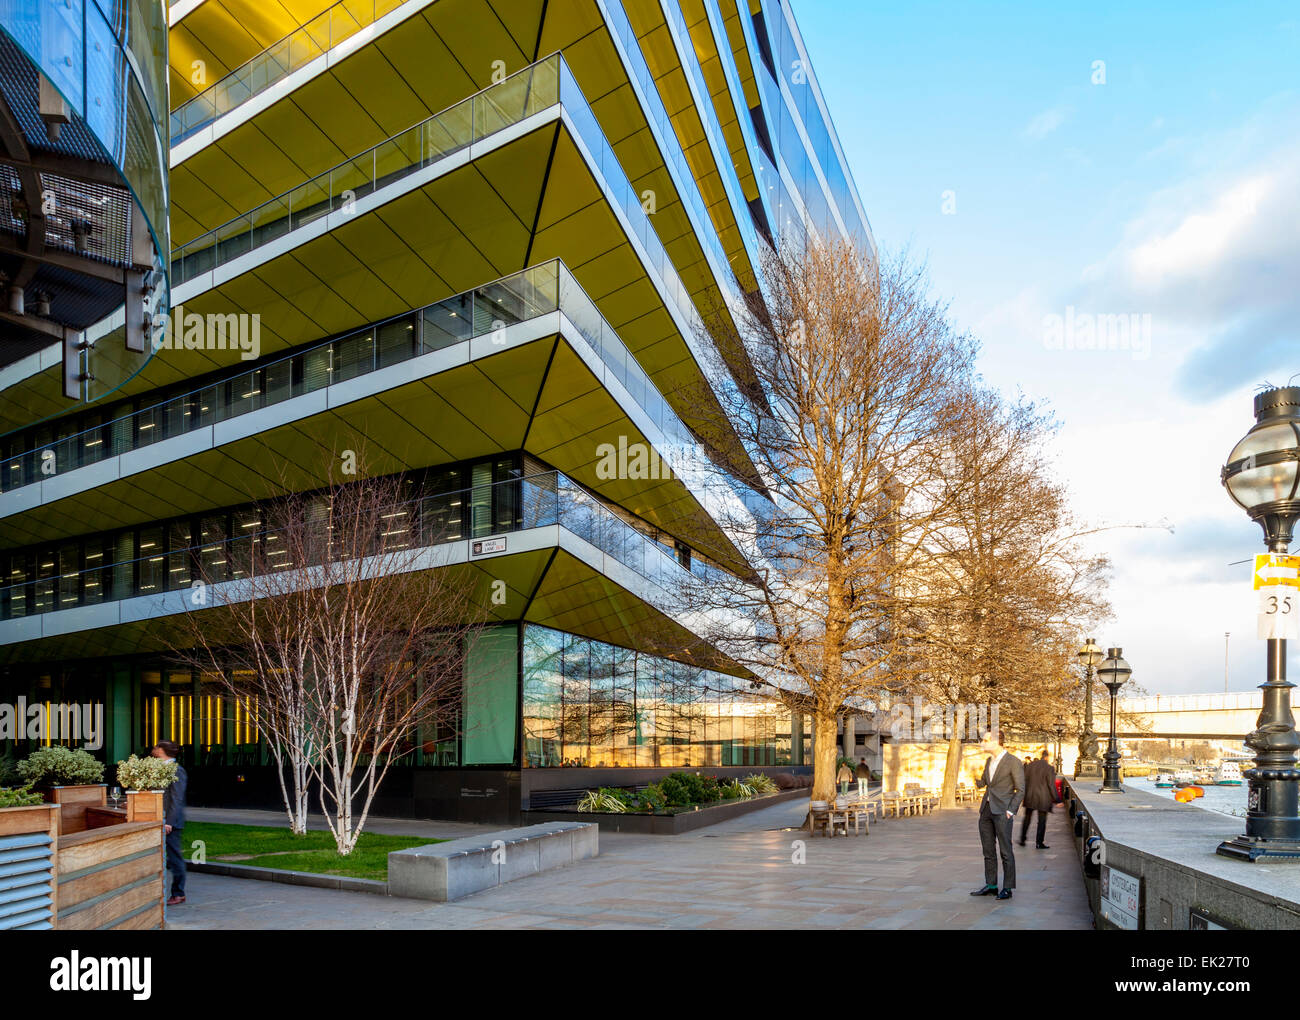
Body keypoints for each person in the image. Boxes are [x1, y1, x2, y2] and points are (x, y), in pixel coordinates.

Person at [970, 729, 1024, 901]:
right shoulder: (988, 761)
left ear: (996, 741)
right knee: (988, 850)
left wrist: (1010, 810)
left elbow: (1020, 789)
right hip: (986, 811)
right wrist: (974, 777)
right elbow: (984, 784)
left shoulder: (1013, 762)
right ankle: (991, 885)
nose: (982, 743)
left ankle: (1007, 888)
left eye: (985, 740)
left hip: (1002, 812)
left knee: (1005, 851)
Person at [152, 740, 188, 906]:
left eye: (156, 747)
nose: (153, 749)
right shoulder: (160, 768)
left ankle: (178, 893)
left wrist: (169, 822)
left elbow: (176, 799)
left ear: (162, 750)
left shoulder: (176, 770)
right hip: (160, 819)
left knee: (174, 859)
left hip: (170, 823)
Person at [1019, 749, 1057, 849]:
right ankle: (1039, 843)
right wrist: (1057, 799)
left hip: (1030, 796)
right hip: (1043, 798)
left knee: (1027, 818)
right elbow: (1051, 785)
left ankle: (1022, 839)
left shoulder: (1030, 766)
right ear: (1047, 757)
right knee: (1041, 821)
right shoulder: (1049, 768)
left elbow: (1024, 781)